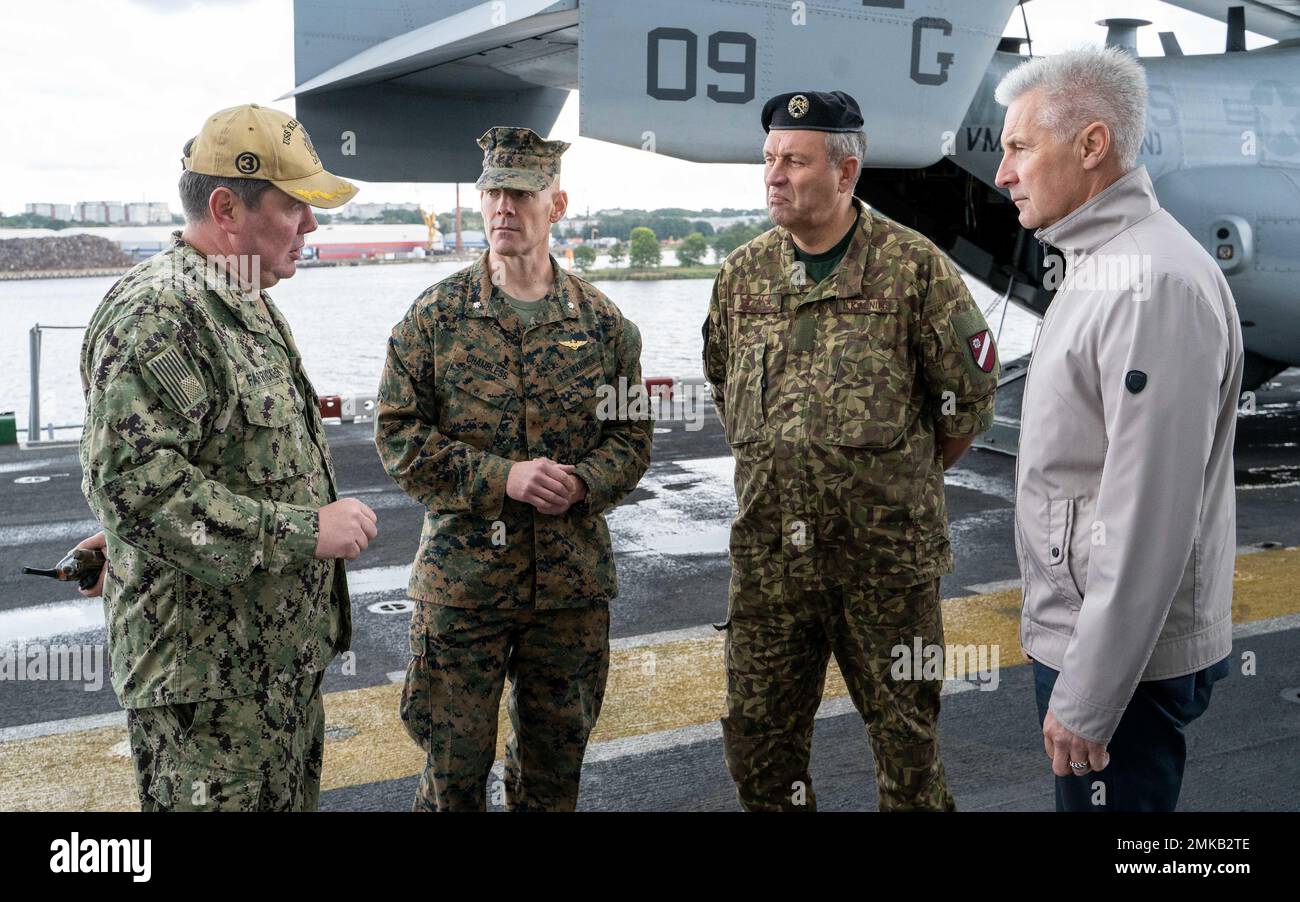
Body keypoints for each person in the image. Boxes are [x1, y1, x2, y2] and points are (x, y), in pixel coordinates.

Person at [702, 90, 1000, 811]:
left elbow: (967, 400)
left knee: (908, 757)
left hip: (886, 569)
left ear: (846, 172)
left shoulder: (912, 270)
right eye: (770, 158)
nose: (773, 174)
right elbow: (722, 381)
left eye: (795, 161)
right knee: (759, 752)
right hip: (771, 568)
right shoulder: (742, 277)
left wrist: (898, 482)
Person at [78, 103, 377, 811]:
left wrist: (131, 534)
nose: (311, 225)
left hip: (265, 675)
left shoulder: (241, 296)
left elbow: (190, 464)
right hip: (210, 700)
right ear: (226, 207)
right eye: (295, 206)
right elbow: (136, 488)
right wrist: (309, 531)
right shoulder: (166, 311)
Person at [375, 126, 653, 811]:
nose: (503, 207)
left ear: (554, 206)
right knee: (453, 776)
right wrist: (503, 477)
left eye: (520, 193)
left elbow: (631, 438)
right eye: (493, 191)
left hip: (569, 591)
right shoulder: (435, 318)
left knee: (554, 777)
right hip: (463, 588)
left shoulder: (603, 324)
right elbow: (399, 436)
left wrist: (586, 482)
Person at [994, 47, 1242, 811]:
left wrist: (1091, 692)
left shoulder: (1148, 284)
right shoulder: (1103, 263)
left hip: (1121, 660)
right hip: (1098, 638)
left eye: (1019, 148)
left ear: (1092, 145)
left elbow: (1148, 514)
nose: (1004, 174)